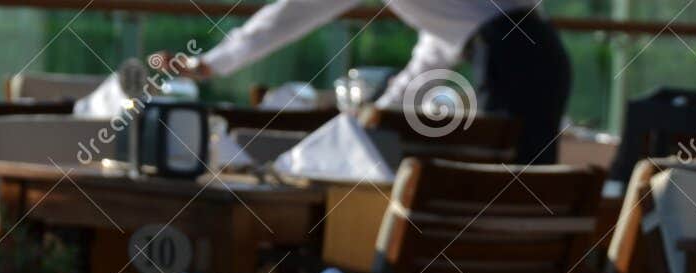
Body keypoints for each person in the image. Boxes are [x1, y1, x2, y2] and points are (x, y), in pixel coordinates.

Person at [175, 1, 571, 163]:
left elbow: (292, 15)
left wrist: (213, 64)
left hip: (513, 56)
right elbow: (436, 48)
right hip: (541, 53)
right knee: (521, 177)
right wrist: (380, 111)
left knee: (516, 181)